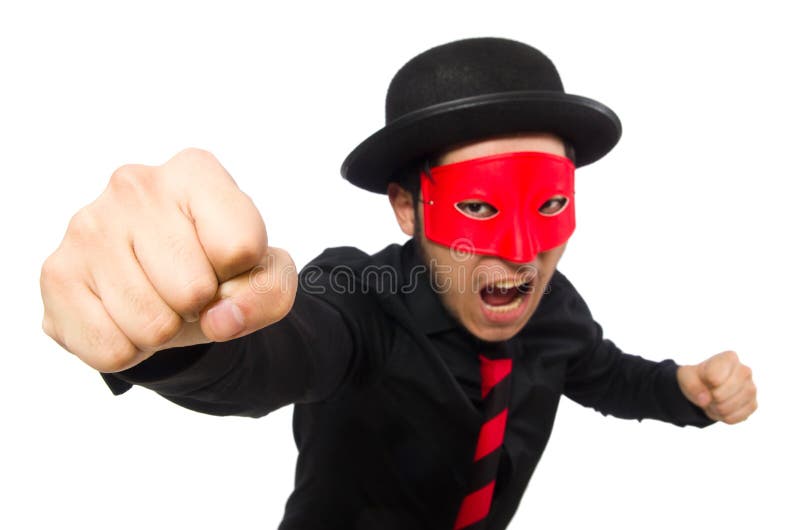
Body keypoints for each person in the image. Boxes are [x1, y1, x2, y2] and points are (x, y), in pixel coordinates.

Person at [40, 37, 757, 530]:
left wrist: (683, 389)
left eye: (547, 206)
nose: (519, 256)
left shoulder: (557, 311)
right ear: (408, 206)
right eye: (478, 206)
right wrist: (180, 330)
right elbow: (283, 351)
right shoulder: (361, 295)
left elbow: (600, 372)